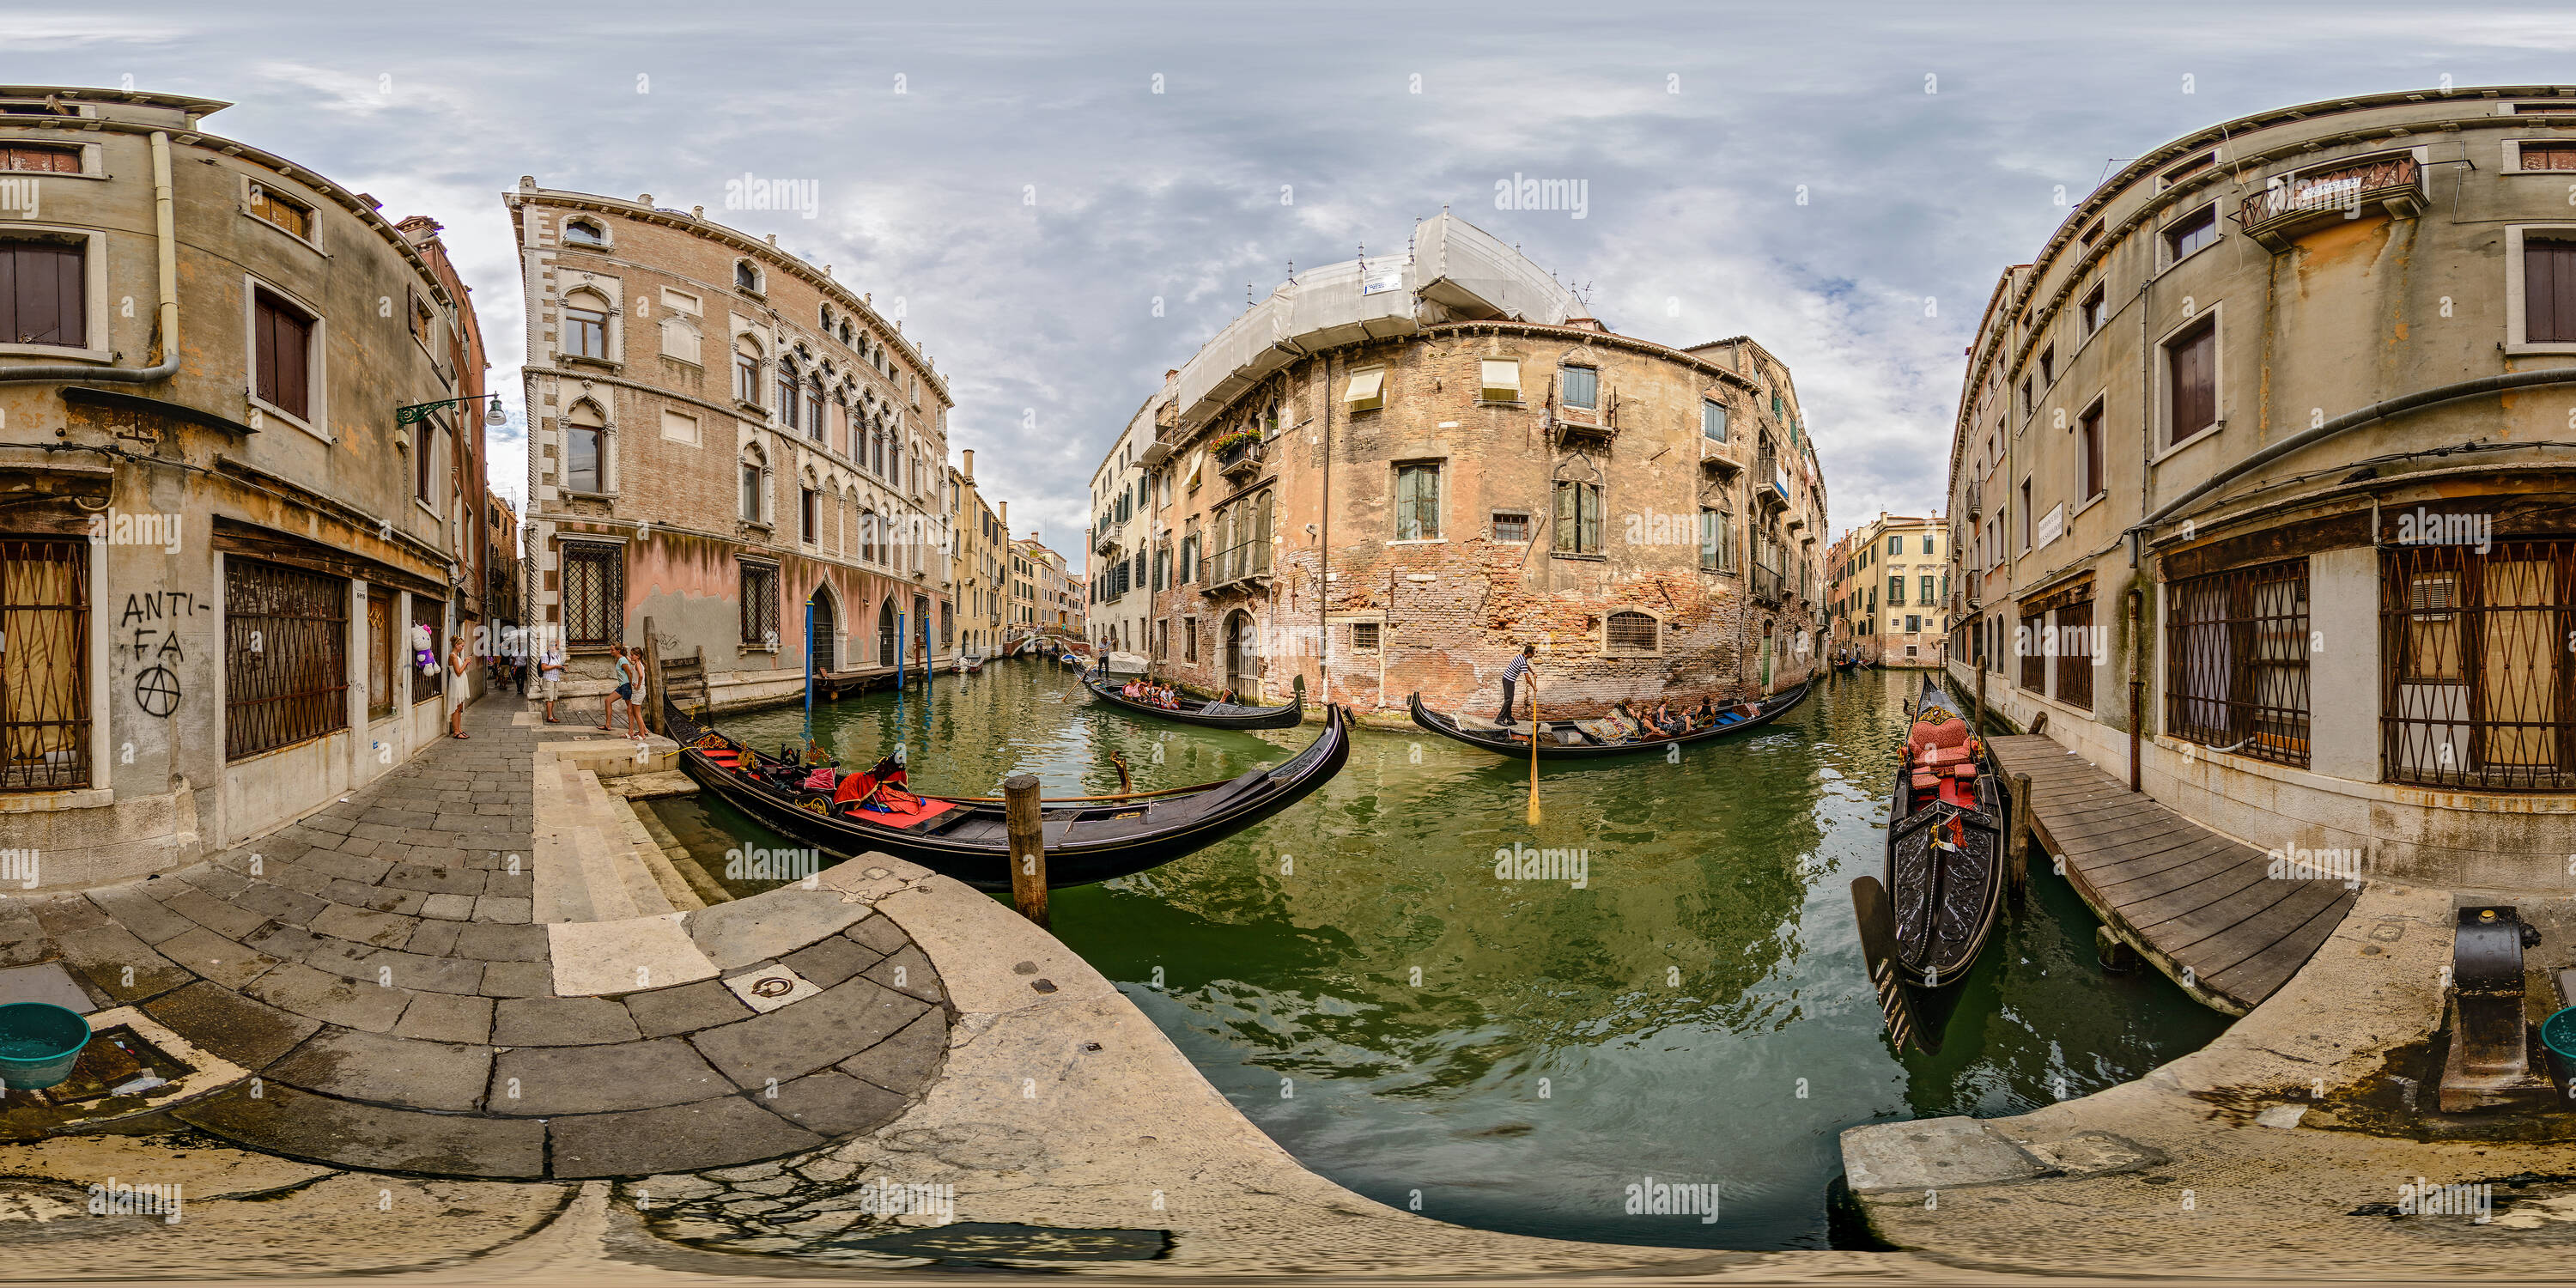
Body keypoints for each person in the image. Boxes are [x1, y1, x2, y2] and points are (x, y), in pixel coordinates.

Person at [1498, 644, 1535, 725]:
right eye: (1533, 653)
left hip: (1508, 680)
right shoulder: (1522, 661)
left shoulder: (1521, 657)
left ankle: (1510, 719)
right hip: (1508, 680)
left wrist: (1533, 672)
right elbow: (1527, 678)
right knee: (1509, 700)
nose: (1533, 655)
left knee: (1509, 700)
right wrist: (1533, 687)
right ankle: (1499, 719)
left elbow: (1526, 665)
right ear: (1528, 653)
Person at [447, 630, 471, 739]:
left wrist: (465, 662)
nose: (462, 648)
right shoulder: (453, 656)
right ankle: (456, 731)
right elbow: (458, 672)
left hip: (460, 683)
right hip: (456, 684)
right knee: (456, 708)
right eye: (462, 646)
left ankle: (459, 729)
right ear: (456, 645)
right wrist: (466, 662)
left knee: (460, 707)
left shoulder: (457, 656)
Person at [623, 644, 648, 738]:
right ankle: (631, 732)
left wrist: (638, 685)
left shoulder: (638, 665)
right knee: (629, 710)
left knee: (637, 713)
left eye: (633, 655)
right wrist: (624, 652)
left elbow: (641, 675)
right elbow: (630, 660)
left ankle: (642, 734)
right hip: (636, 692)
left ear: (638, 656)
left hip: (638, 691)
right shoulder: (636, 663)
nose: (631, 656)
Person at [603, 646, 631, 732]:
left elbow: (629, 674)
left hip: (626, 686)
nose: (610, 651)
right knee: (608, 701)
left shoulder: (622, 660)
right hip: (622, 686)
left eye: (612, 650)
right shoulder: (619, 659)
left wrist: (632, 688)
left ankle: (643, 730)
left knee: (631, 710)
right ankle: (608, 725)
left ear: (618, 651)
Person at [538, 641, 565, 724]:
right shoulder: (545, 655)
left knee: (553, 698)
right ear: (549, 647)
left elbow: (558, 665)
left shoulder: (557, 655)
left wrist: (562, 668)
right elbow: (543, 667)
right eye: (553, 646)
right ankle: (550, 717)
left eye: (556, 646)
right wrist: (556, 666)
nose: (555, 648)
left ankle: (551, 716)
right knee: (549, 699)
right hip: (548, 679)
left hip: (555, 679)